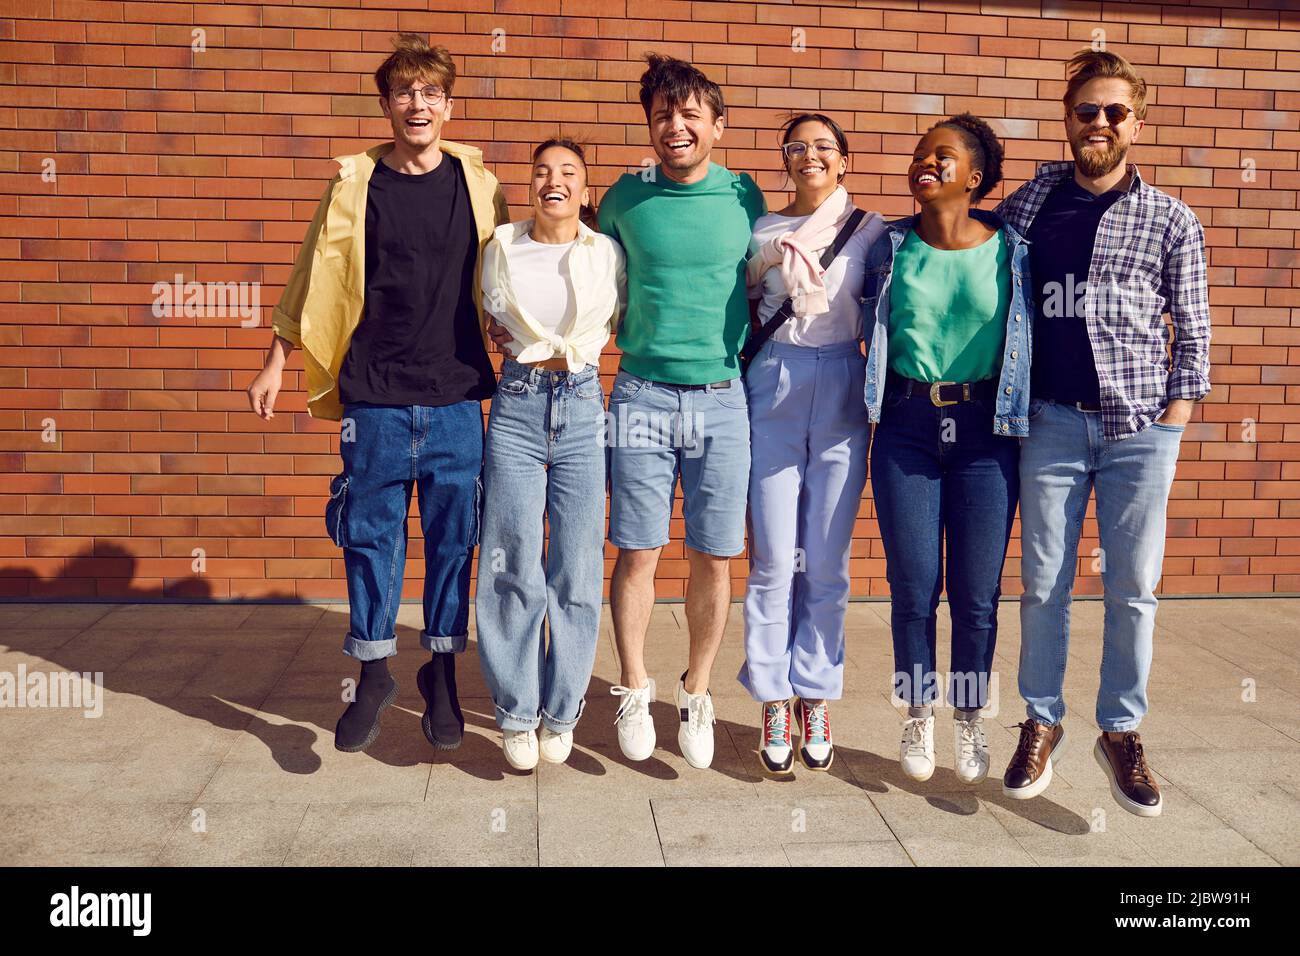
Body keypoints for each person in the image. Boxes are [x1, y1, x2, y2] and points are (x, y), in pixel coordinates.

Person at [247, 34, 509, 754]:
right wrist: (276, 359)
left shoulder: (480, 185)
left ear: (448, 106)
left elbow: (515, 274)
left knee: (455, 541)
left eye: (431, 93)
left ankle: (443, 675)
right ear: (386, 104)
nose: (417, 104)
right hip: (375, 394)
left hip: (457, 396)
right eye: (404, 92)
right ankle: (372, 674)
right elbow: (310, 275)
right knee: (370, 538)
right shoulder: (354, 183)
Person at [995, 51, 1211, 816]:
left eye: (1115, 111)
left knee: (1134, 589)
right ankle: (1041, 721)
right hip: (1050, 423)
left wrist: (1177, 414)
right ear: (1069, 120)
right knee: (1044, 585)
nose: (1100, 123)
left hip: (1139, 430)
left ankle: (1120, 730)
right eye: (1087, 110)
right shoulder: (1032, 203)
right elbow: (965, 239)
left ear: (1136, 124)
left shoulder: (1170, 218)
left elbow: (1194, 327)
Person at [595, 54, 766, 769]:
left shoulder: (746, 196)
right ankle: (635, 683)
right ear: (650, 126)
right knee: (638, 549)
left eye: (691, 113)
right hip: (640, 390)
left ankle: (697, 689)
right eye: (663, 113)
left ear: (717, 127)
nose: (676, 125)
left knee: (714, 554)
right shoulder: (622, 199)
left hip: (725, 397)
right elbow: (592, 282)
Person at [862, 114, 1033, 785]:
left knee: (977, 593)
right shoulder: (888, 246)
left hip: (986, 432)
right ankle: (917, 712)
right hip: (905, 423)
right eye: (919, 156)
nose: (924, 165)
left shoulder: (1015, 249)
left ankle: (966, 717)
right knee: (912, 588)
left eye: (942, 156)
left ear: (977, 177)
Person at [740, 112, 885, 775]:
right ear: (785, 160)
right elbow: (734, 304)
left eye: (824, 146)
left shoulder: (873, 232)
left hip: (842, 388)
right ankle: (773, 697)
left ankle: (817, 693)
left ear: (844, 160)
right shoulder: (761, 230)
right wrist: (766, 259)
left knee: (824, 561)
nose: (809, 155)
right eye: (796, 146)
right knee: (773, 558)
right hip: (773, 386)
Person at [475, 139, 625, 771]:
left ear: (585, 192)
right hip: (517, 404)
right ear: (529, 186)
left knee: (578, 565)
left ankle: (560, 710)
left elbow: (609, 322)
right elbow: (493, 315)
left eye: (567, 172)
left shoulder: (605, 252)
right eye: (541, 172)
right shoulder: (502, 247)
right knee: (511, 557)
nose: (552, 181)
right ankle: (516, 709)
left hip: (584, 404)